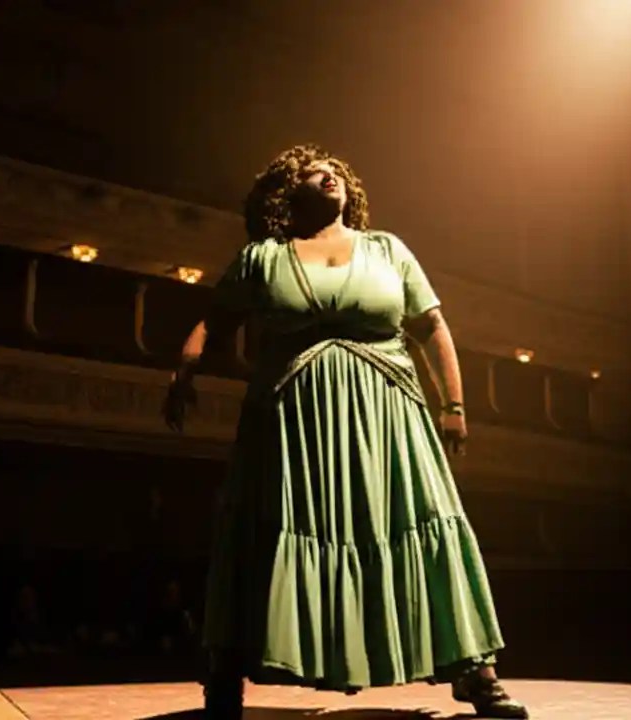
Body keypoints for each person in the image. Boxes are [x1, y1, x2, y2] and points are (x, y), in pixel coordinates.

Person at [163, 144, 528, 719]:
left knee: (422, 519)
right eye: (313, 169)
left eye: (335, 168)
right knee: (263, 528)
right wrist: (183, 374)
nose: (328, 172)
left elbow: (431, 325)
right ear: (288, 192)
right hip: (291, 423)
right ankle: (224, 679)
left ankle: (477, 675)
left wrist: (453, 402)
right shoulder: (263, 257)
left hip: (390, 418)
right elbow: (214, 319)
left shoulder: (388, 249)